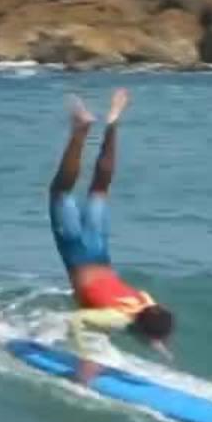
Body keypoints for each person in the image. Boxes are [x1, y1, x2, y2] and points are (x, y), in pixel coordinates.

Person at [46, 88, 175, 384]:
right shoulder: (118, 319)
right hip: (78, 254)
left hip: (99, 249)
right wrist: (87, 359)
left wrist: (155, 339)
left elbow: (146, 318)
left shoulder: (145, 302)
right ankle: (81, 130)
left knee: (100, 188)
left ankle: (113, 121)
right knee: (60, 192)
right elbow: (77, 320)